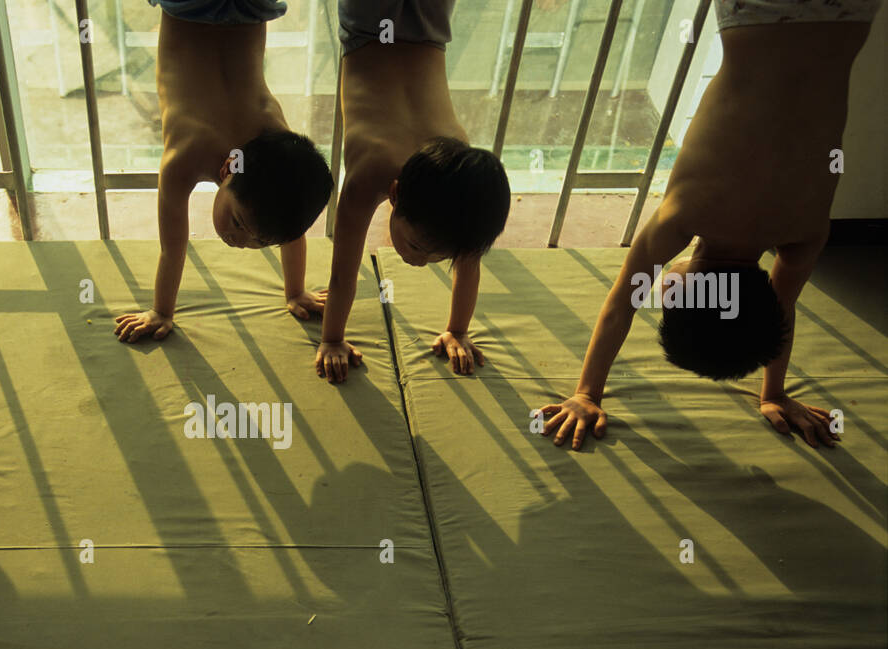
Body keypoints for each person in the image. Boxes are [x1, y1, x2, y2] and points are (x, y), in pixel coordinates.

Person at [538, 0, 881, 450]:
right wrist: (586, 392)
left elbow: (785, 307)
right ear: (677, 291)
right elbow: (620, 306)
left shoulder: (806, 232)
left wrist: (773, 393)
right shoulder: (682, 218)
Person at [113, 0, 334, 344]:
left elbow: (291, 226)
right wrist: (161, 311)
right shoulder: (184, 158)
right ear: (228, 168)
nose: (240, 241)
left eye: (260, 241)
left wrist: (295, 293)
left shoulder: (275, 140)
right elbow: (172, 247)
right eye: (238, 223)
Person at [313, 0, 510, 383]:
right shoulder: (369, 174)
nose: (419, 263)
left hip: (428, 27)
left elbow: (469, 266)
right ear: (395, 193)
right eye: (419, 247)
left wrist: (457, 329)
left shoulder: (458, 170)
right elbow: (343, 276)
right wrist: (332, 339)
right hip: (369, 28)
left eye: (438, 256)